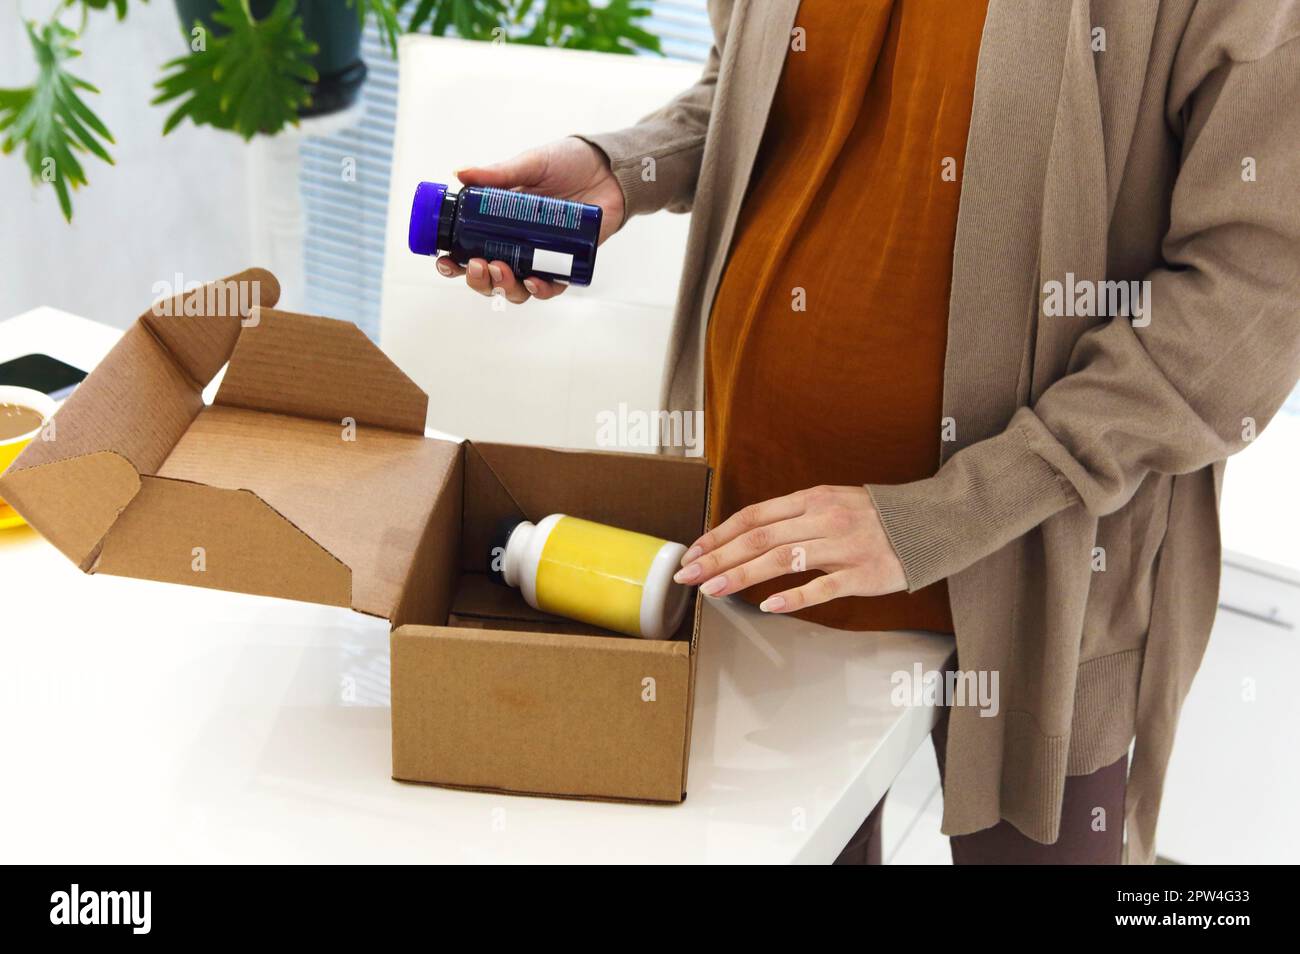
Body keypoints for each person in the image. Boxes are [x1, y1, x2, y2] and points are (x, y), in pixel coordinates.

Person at [435, 0, 1300, 864]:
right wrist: (622, 166)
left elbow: (1252, 295)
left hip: (1042, 563)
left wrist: (947, 513)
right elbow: (758, 88)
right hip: (762, 534)